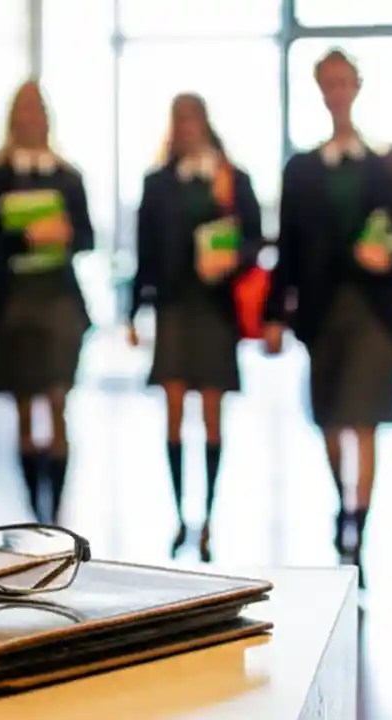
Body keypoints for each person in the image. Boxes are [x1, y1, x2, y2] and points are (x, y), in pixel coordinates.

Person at [263, 50, 392, 585]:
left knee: (366, 416)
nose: (336, 90)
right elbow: (286, 245)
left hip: (376, 312)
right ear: (320, 90)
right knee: (332, 416)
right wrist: (274, 312)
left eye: (343, 81)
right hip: (321, 312)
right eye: (327, 82)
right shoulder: (302, 169)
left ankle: (362, 518)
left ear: (357, 85)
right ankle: (344, 498)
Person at [129, 93, 263, 562]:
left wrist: (230, 260)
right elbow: (143, 250)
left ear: (205, 123)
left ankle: (207, 515)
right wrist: (133, 311)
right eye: (178, 118)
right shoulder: (157, 183)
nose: (186, 126)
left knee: (210, 410)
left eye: (193, 117)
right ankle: (178, 515)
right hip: (172, 305)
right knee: (171, 408)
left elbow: (255, 240)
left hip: (216, 307)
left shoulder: (232, 180)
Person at [0, 80, 94, 525]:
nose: (30, 117)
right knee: (25, 408)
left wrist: (62, 234)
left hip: (59, 302)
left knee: (58, 401)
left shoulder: (67, 176)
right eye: (21, 109)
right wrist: (24, 235)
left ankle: (57, 511)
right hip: (13, 306)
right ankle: (33, 510)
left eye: (36, 109)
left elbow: (87, 236)